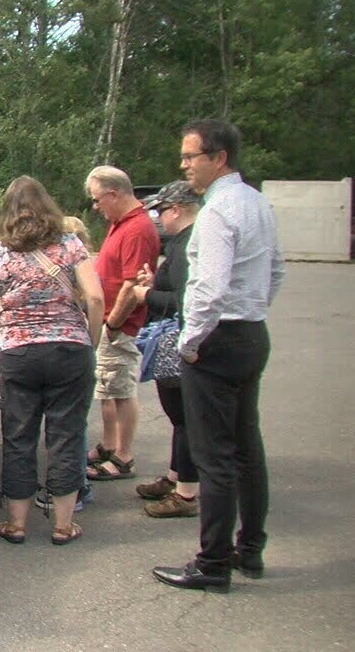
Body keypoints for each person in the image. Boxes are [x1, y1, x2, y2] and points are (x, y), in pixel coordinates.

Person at [152, 119, 286, 591]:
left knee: (214, 457)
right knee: (247, 447)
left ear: (219, 158)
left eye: (191, 156)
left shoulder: (217, 212)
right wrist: (252, 311)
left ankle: (212, 563)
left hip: (215, 340)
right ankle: (250, 548)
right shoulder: (257, 203)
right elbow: (275, 271)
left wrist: (190, 343)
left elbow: (208, 288)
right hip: (250, 333)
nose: (184, 165)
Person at [0, 176, 104, 545]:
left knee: (18, 436)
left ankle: (16, 524)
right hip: (70, 349)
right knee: (66, 435)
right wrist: (90, 342)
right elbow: (95, 299)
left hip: (18, 352)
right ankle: (64, 525)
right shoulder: (71, 246)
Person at [131, 181, 204, 518]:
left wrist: (147, 296)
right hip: (172, 335)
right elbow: (173, 286)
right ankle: (176, 477)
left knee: (184, 417)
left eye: (160, 211)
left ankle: (187, 494)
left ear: (177, 209)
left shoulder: (189, 245)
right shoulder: (181, 244)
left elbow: (187, 301)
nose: (158, 217)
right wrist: (154, 283)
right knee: (177, 416)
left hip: (178, 336)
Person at [84, 165, 160, 481]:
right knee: (108, 386)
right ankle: (109, 443)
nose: (95, 206)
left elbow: (133, 284)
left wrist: (113, 323)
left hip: (119, 326)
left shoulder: (137, 229)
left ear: (114, 194)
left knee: (121, 389)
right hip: (109, 323)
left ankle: (123, 455)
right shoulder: (122, 223)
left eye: (98, 199)